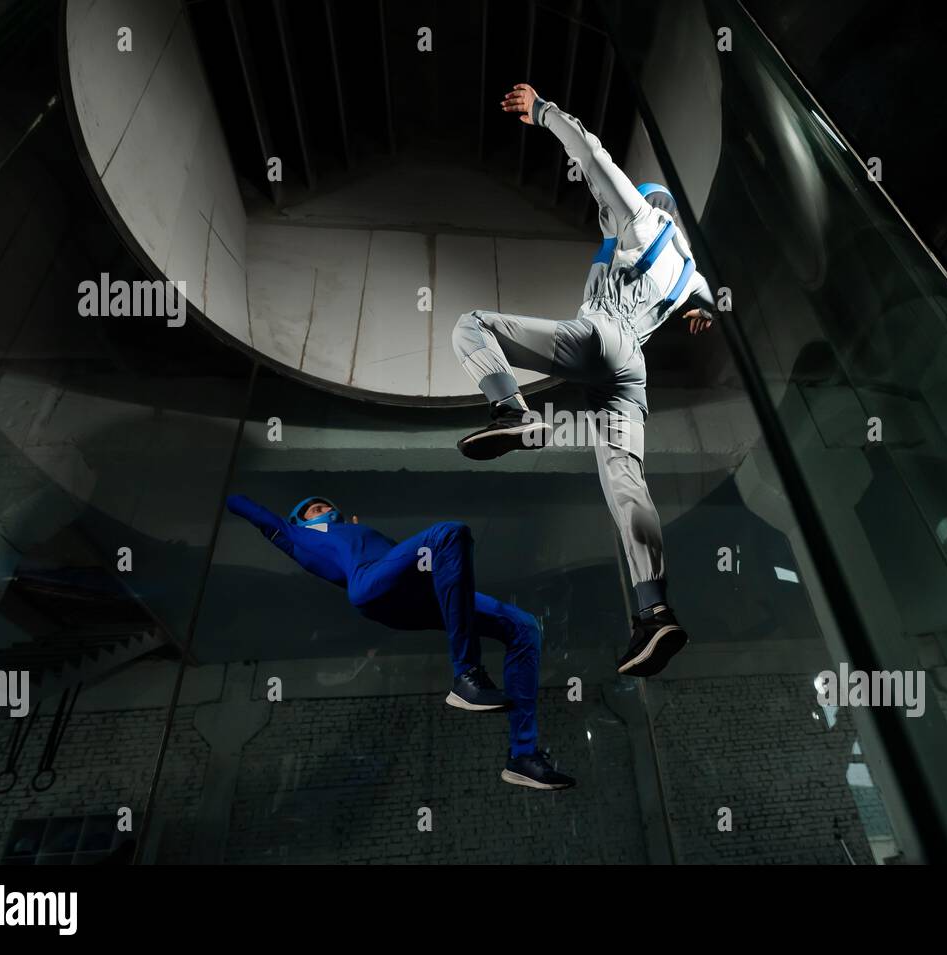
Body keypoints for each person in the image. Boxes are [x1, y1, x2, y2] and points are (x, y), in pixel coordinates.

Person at [451, 82, 717, 678]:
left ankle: (514, 412)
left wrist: (545, 112)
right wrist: (703, 308)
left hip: (603, 337)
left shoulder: (642, 217)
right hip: (632, 374)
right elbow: (706, 294)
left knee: (471, 326)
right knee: (625, 481)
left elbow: (593, 157)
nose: (605, 212)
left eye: (609, 210)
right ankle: (655, 610)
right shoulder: (687, 267)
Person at [225, 493, 575, 790]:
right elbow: (253, 512)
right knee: (449, 533)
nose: (325, 510)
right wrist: (217, 486)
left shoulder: (358, 529)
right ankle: (467, 675)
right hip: (372, 588)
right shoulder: (296, 536)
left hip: (419, 592)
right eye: (314, 509)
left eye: (327, 506)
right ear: (297, 522)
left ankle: (523, 755)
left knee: (523, 627)